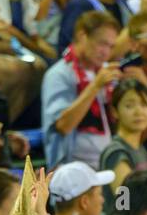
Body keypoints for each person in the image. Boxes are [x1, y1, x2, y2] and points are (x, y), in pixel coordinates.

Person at [42, 10, 122, 168]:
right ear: (82, 36)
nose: (106, 52)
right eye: (102, 43)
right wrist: (95, 86)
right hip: (72, 170)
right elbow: (63, 126)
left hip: (107, 162)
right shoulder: (59, 74)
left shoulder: (105, 72)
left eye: (111, 46)